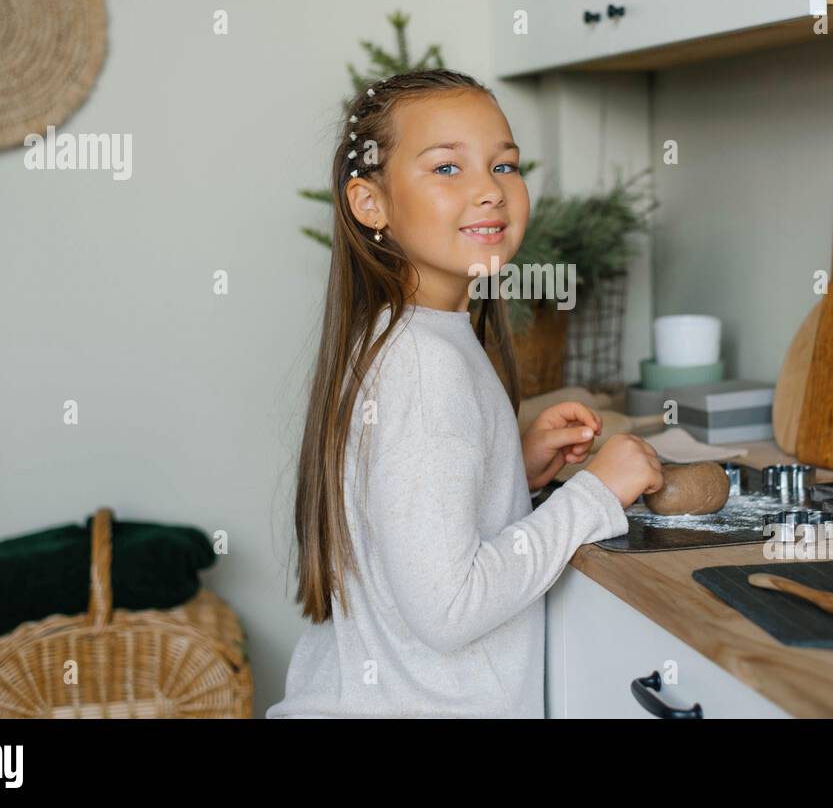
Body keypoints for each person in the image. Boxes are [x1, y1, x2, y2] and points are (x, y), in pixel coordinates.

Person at [266, 69, 663, 718]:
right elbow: (449, 609)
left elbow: (407, 511)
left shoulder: (411, 336)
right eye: (447, 168)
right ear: (371, 204)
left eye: (505, 164)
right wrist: (596, 494)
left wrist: (510, 467)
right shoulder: (425, 364)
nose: (489, 189)